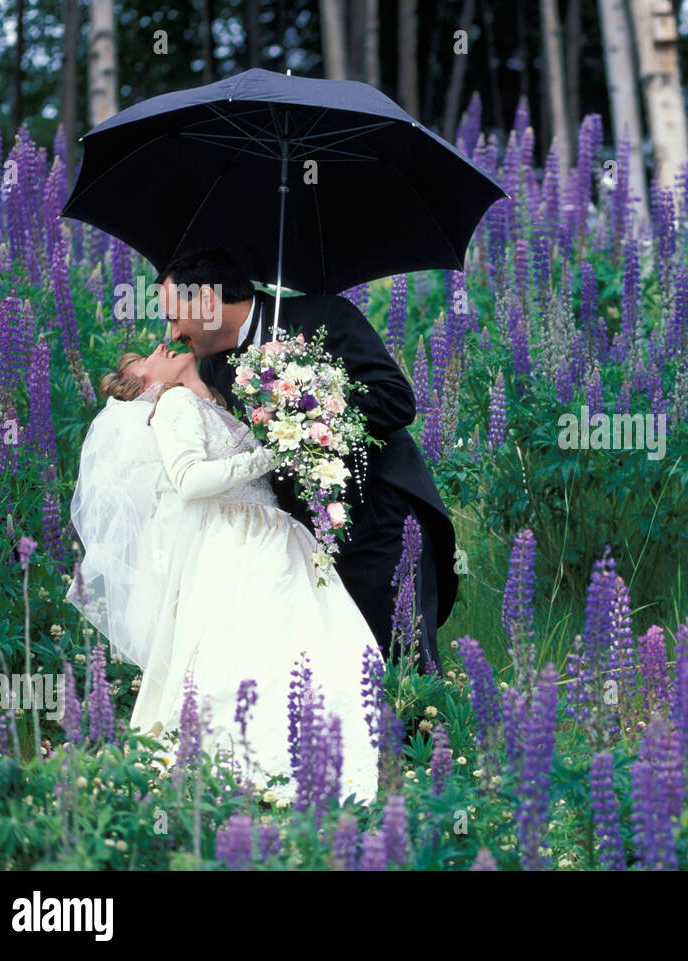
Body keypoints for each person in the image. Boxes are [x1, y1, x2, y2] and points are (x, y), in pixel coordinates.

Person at [66, 344, 381, 803]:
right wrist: (272, 453)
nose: (161, 345)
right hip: (238, 539)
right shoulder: (174, 403)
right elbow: (189, 480)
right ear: (151, 385)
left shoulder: (214, 398)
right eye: (146, 360)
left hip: (273, 536)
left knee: (303, 644)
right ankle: (242, 764)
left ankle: (316, 757)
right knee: (247, 651)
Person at [156, 248, 455, 674]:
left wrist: (304, 408)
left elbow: (397, 401)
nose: (171, 332)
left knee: (401, 659)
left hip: (380, 515)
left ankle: (429, 742)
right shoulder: (214, 372)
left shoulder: (323, 315)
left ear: (206, 300)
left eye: (173, 316)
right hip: (307, 543)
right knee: (341, 674)